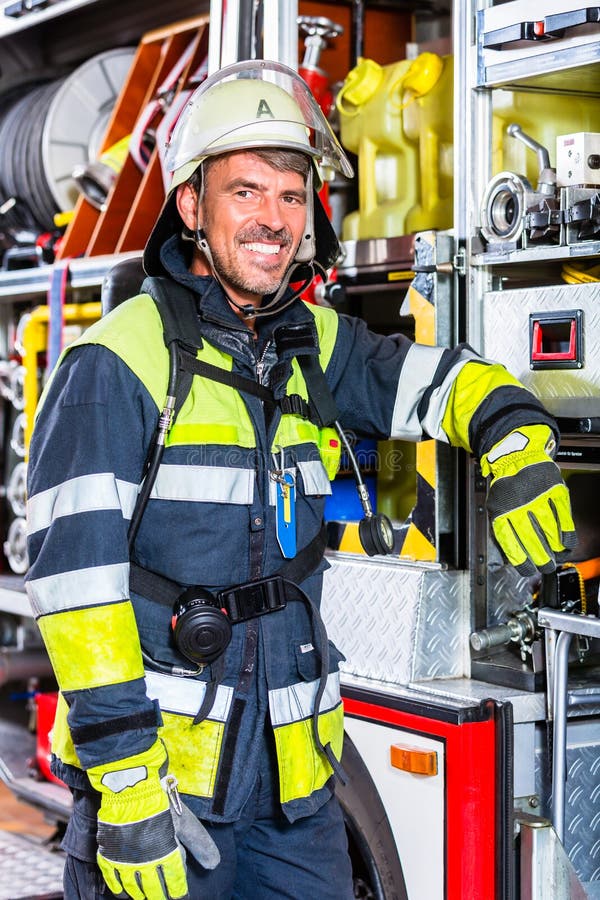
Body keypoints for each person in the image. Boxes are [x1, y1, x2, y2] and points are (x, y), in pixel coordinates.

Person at [25, 59, 576, 900]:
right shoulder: (118, 361)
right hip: (167, 791)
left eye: (291, 195)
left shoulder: (313, 343)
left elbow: (445, 380)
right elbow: (77, 593)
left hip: (296, 801)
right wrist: (129, 782)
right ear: (191, 206)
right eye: (245, 191)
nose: (272, 219)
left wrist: (513, 436)